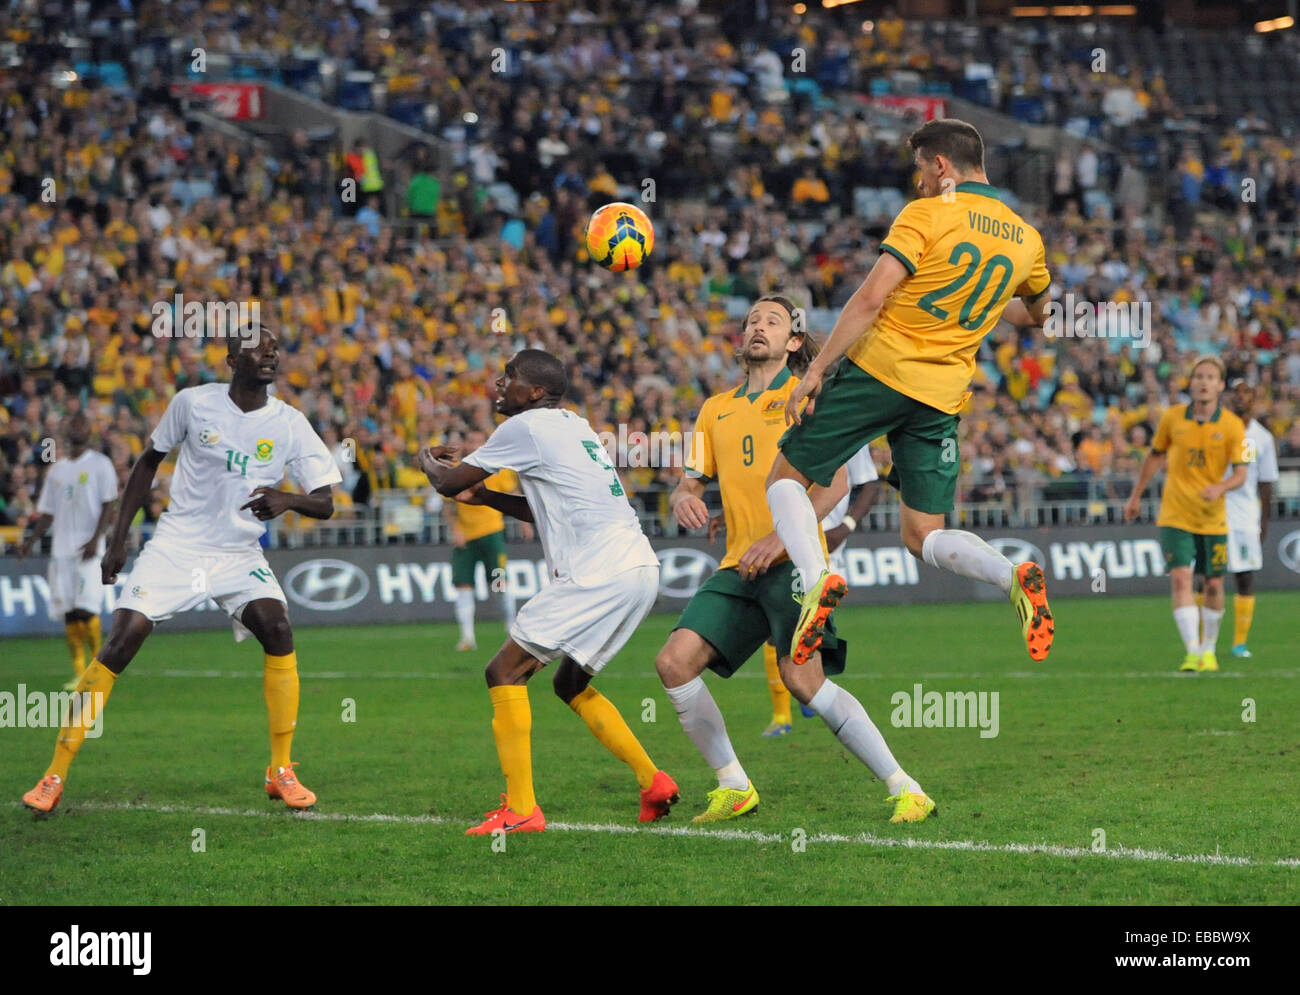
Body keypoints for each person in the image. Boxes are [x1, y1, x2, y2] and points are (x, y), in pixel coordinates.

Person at [764, 118, 1055, 669]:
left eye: (920, 168)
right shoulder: (1027, 236)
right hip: (941, 397)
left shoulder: (927, 213)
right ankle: (1010, 574)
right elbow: (1037, 316)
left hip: (880, 370)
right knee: (924, 535)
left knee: (784, 480)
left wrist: (815, 370)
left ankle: (816, 580)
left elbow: (872, 297)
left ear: (941, 165)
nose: (917, 181)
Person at [21, 324, 341, 814]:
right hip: (176, 546)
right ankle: (53, 775)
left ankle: (281, 769)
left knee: (277, 627)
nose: (271, 356)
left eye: (275, 349)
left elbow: (325, 503)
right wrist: (119, 538)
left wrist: (288, 499)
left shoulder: (291, 423)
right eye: (258, 349)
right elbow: (147, 464)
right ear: (232, 360)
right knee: (122, 639)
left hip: (238, 553)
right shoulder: (193, 403)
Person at [656, 296, 934, 824]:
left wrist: (780, 542)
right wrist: (684, 497)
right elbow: (688, 481)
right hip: (738, 566)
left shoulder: (806, 397)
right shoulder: (715, 408)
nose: (758, 327)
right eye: (751, 321)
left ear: (792, 342)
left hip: (793, 564)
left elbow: (835, 484)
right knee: (673, 663)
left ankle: (905, 788)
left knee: (801, 679)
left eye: (772, 321)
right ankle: (734, 785)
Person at [419, 349, 678, 834]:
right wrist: (489, 495)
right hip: (638, 566)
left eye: (510, 377)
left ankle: (522, 809)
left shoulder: (524, 427)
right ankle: (653, 781)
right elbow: (549, 509)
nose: (499, 383)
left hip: (597, 571)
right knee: (568, 684)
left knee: (503, 672)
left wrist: (427, 461)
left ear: (534, 392)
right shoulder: (574, 426)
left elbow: (448, 484)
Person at [1124, 356, 1248, 672]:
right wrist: (1136, 495)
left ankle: (1209, 650)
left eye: (1210, 377)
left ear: (1220, 385)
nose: (1203, 382)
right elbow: (1154, 456)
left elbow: (1242, 474)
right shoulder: (1172, 418)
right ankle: (1192, 651)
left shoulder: (1234, 426)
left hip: (1212, 516)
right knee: (1181, 578)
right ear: (1191, 383)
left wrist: (1220, 487)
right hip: (1175, 513)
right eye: (1198, 377)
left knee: (1214, 585)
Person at [18, 412, 118, 690]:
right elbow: (47, 513)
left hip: (88, 549)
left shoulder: (101, 464)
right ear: (66, 432)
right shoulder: (57, 470)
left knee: (86, 610)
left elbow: (110, 504)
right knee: (70, 613)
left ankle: (100, 667)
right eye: (74, 422)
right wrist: (30, 541)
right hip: (61, 552)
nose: (78, 426)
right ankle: (79, 672)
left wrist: (96, 539)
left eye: (83, 423)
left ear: (89, 432)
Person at [441, 429, 526, 651]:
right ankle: (467, 637)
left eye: (479, 441)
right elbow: (447, 504)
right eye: (471, 440)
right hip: (465, 539)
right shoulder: (457, 470)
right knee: (463, 585)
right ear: (466, 444)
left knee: (499, 584)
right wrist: (455, 529)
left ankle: (511, 630)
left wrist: (524, 521)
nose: (476, 444)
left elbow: (513, 494)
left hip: (492, 534)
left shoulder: (499, 469)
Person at [1218, 380, 1279, 658]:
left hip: (1244, 515)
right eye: (1236, 393)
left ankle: (1239, 643)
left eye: (1247, 394)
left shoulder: (1262, 437)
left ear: (1255, 400)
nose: (1240, 398)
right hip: (1214, 509)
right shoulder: (1216, 428)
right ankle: (1202, 642)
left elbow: (1266, 483)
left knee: (1244, 576)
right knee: (1207, 574)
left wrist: (1264, 521)